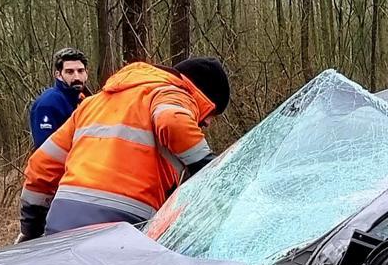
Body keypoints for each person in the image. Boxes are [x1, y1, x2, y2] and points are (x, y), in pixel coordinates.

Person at [19, 56, 230, 239]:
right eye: (205, 119)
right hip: (125, 227)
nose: (206, 125)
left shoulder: (92, 104)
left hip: (62, 223)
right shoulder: (172, 92)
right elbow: (171, 119)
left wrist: (31, 229)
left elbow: (41, 166)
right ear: (201, 97)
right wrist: (209, 168)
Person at [29, 48, 90, 149]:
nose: (77, 77)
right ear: (58, 75)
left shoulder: (83, 100)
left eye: (80, 71)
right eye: (70, 72)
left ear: (86, 73)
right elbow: (45, 150)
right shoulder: (48, 103)